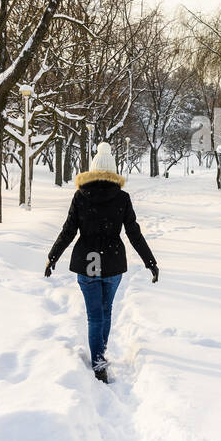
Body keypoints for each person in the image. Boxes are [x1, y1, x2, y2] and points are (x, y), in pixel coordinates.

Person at [45, 142, 158, 383]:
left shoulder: (80, 195)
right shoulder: (122, 197)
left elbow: (68, 231)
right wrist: (150, 262)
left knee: (94, 315)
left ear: (93, 170)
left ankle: (98, 361)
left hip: (87, 261)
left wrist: (52, 256)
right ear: (113, 172)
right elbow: (133, 233)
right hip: (112, 262)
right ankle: (100, 354)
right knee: (106, 312)